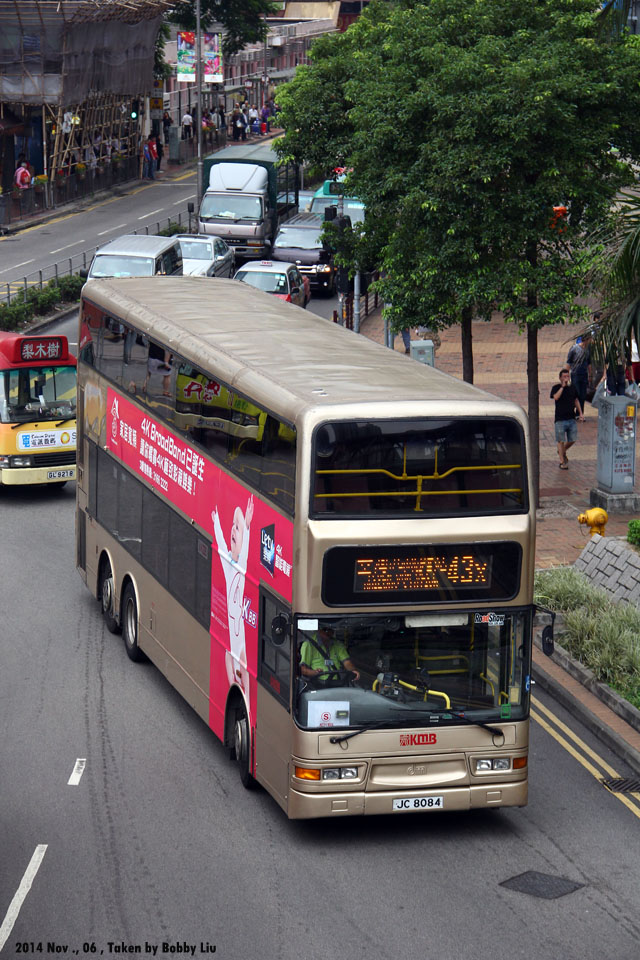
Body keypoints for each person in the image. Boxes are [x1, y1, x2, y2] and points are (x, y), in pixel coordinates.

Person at [212, 497, 254, 684]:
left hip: (241, 643)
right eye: (233, 525)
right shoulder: (229, 565)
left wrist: (246, 525)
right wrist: (216, 523)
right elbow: (220, 545)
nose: (233, 530)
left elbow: (244, 549)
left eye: (237, 527)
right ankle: (233, 684)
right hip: (233, 643)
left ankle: (242, 691)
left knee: (241, 664)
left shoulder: (241, 564)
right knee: (229, 656)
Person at [550, 368, 584, 469]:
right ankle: (562, 462)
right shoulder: (556, 387)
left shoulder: (572, 387)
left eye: (567, 376)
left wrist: (580, 413)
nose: (566, 378)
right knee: (560, 440)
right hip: (560, 419)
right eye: (564, 377)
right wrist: (562, 387)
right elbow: (555, 397)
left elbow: (576, 400)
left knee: (572, 439)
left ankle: (562, 451)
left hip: (571, 418)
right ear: (560, 378)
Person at [566, 332, 592, 416]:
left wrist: (590, 374)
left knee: (583, 395)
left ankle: (579, 413)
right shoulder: (574, 348)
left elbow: (589, 363)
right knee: (576, 394)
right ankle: (571, 411)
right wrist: (567, 375)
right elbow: (569, 362)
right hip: (575, 374)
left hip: (584, 374)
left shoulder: (587, 350)